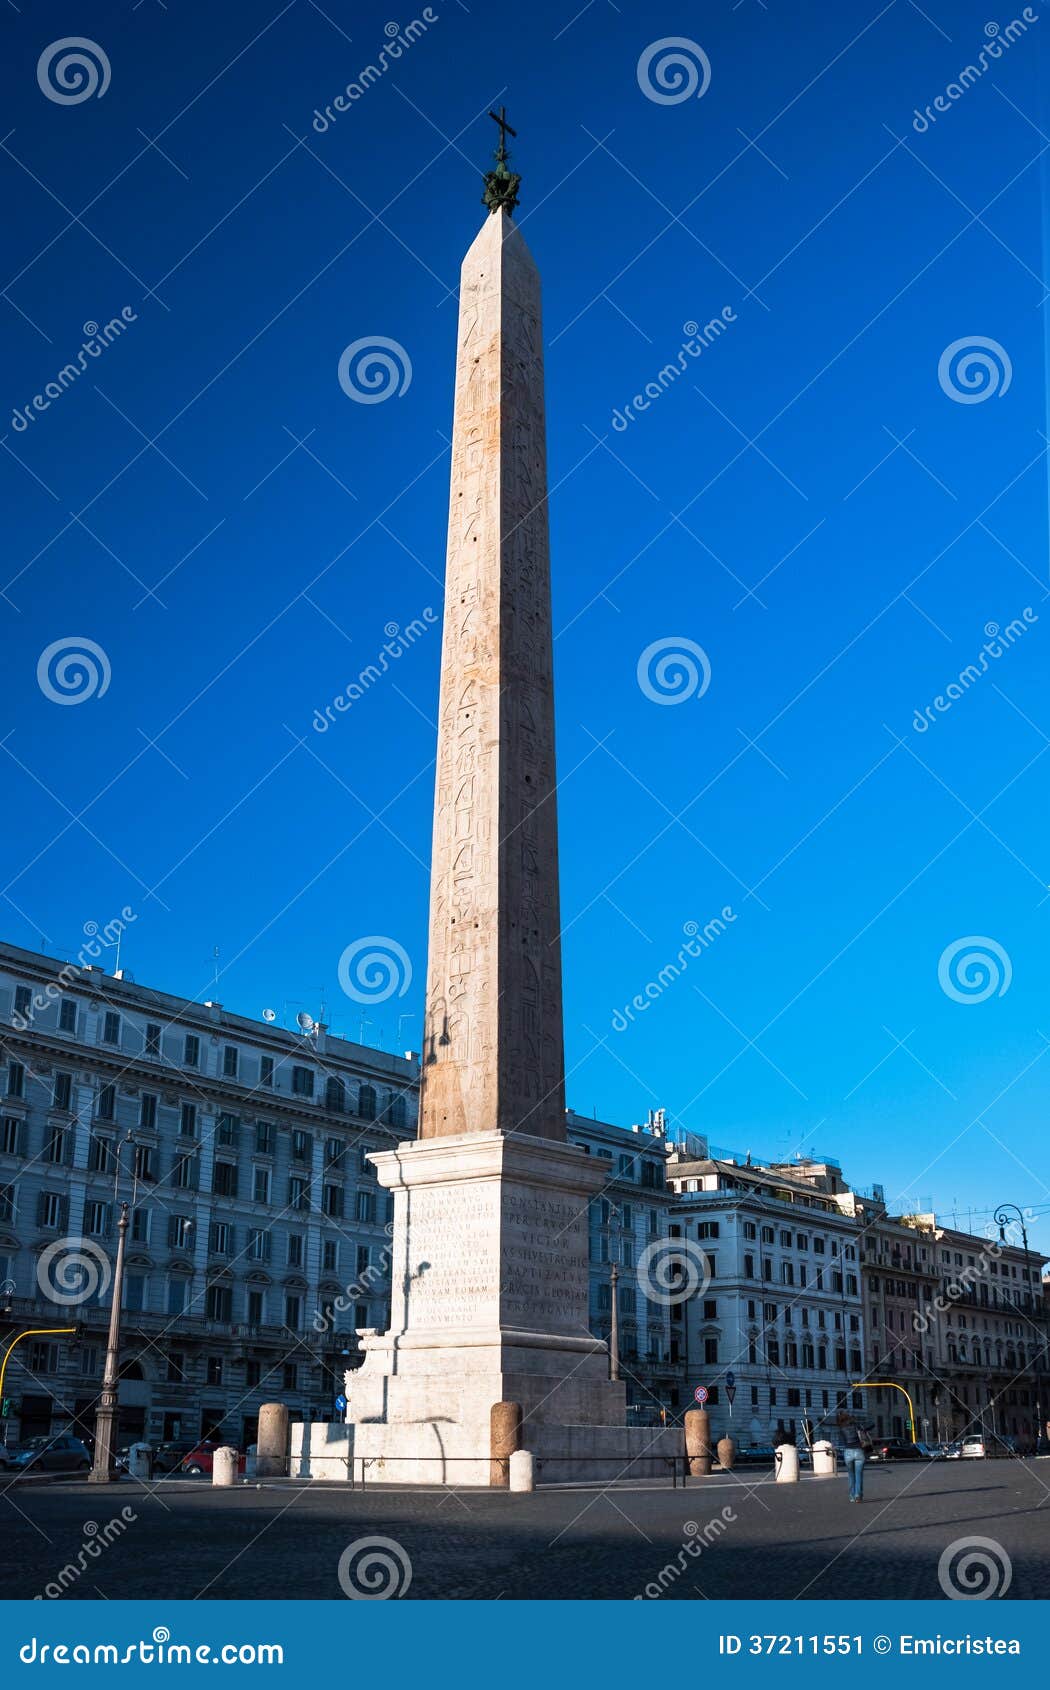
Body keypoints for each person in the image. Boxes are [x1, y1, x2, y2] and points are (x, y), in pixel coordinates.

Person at [836, 1408, 867, 1502]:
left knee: (851, 1475)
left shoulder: (841, 1429)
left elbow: (843, 1440)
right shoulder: (856, 1425)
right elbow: (864, 1434)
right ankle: (858, 1496)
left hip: (848, 1452)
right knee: (859, 1475)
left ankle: (851, 1496)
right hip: (859, 1451)